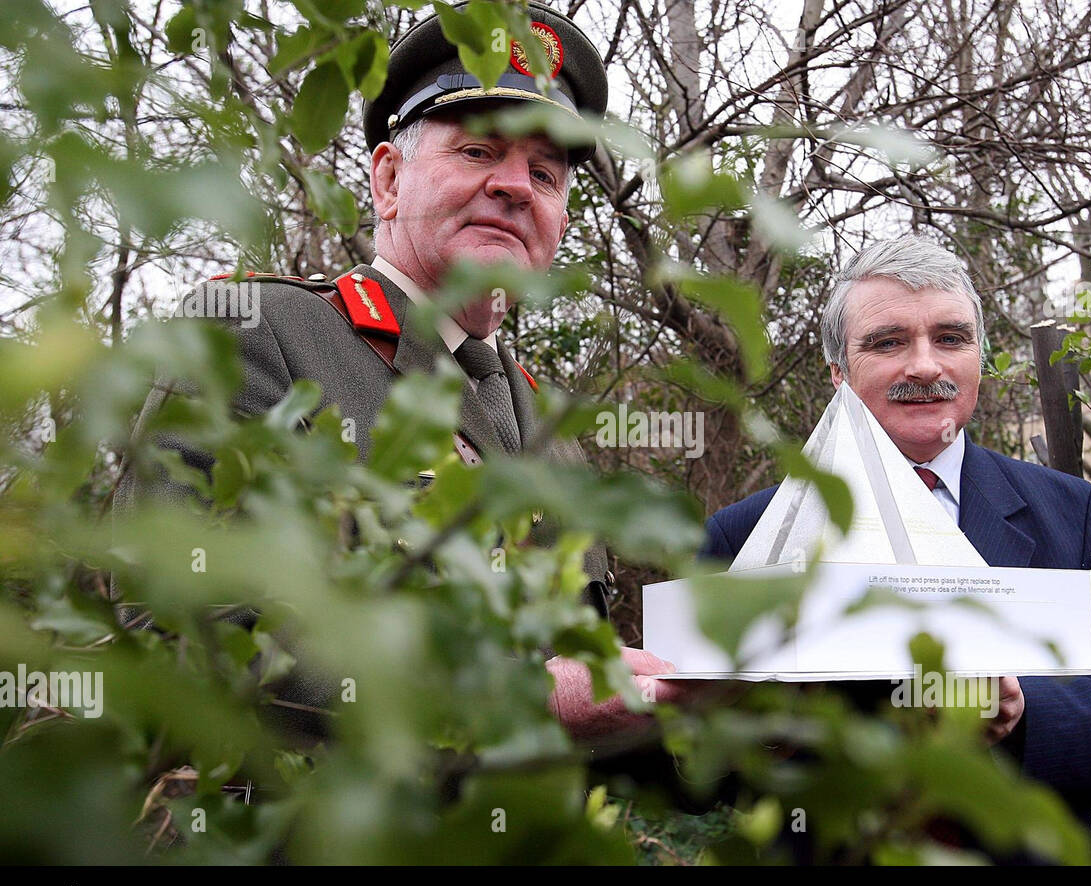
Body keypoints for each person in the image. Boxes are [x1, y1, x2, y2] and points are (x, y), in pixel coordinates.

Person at [116, 3, 680, 741]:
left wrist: (716, 718)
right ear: (387, 181)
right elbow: (179, 628)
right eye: (479, 153)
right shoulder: (257, 333)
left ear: (561, 220)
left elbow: (582, 696)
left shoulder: (552, 430)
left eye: (544, 173)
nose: (516, 186)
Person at [699, 235, 1091, 864]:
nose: (925, 366)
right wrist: (754, 737)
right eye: (888, 341)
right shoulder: (745, 537)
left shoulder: (1073, 514)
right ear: (838, 373)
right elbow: (691, 765)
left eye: (951, 338)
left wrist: (1023, 710)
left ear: (979, 359)